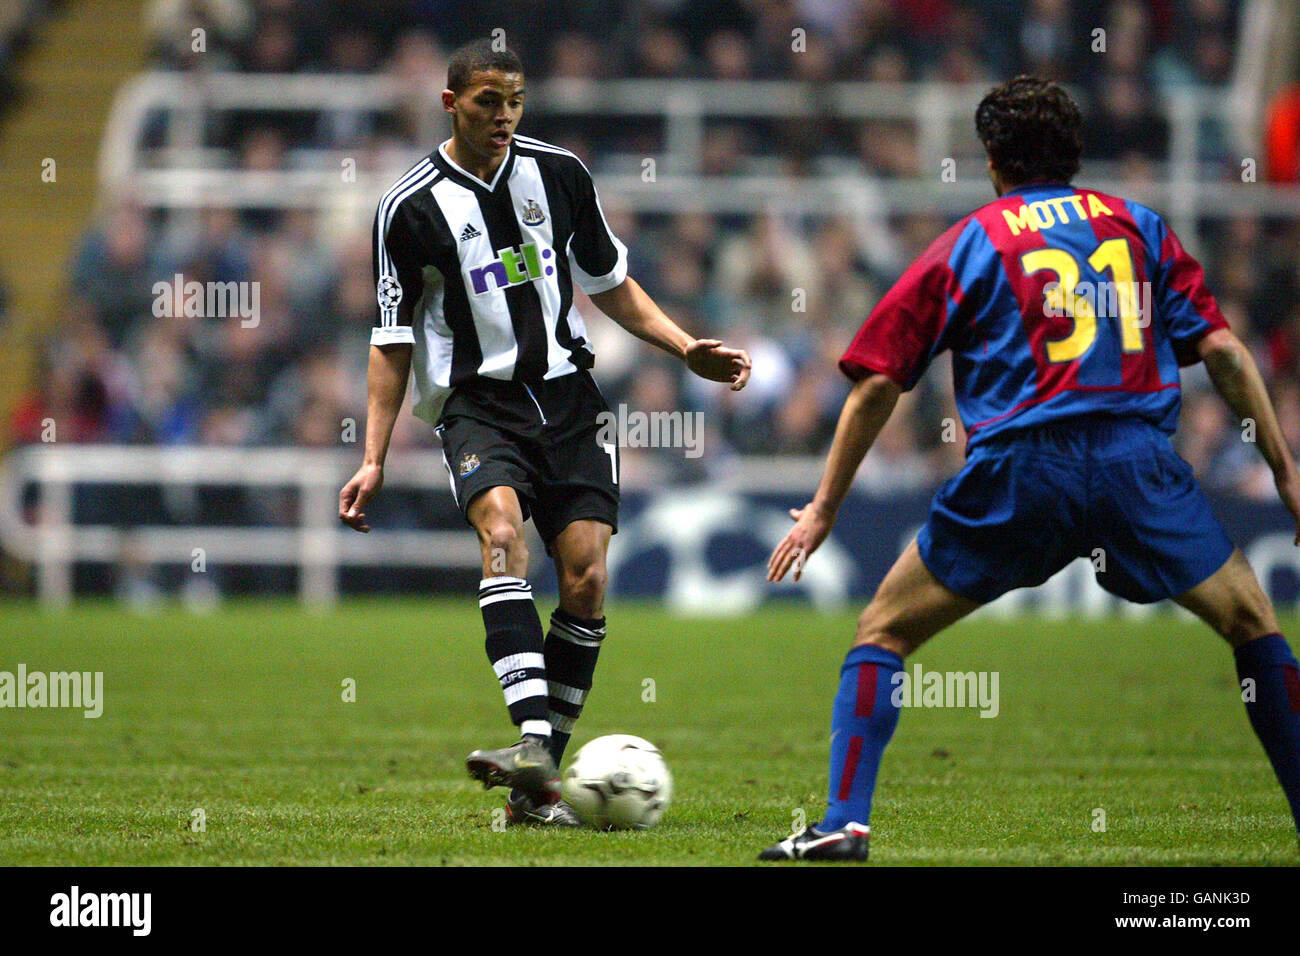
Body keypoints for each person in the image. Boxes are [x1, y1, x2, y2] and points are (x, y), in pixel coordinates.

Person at [759, 76, 1300, 862]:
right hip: (1135, 464)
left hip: (1021, 469)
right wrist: (1283, 467)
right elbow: (1220, 348)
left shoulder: (971, 242)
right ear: (1074, 153)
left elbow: (879, 380)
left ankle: (845, 821)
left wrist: (823, 506)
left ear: (990, 159)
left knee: (882, 631)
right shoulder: (1138, 225)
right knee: (1254, 625)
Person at [339, 39, 750, 826]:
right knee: (500, 532)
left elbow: (611, 284)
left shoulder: (560, 175)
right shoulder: (410, 208)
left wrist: (684, 345)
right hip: (477, 404)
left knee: (587, 577)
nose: (505, 116)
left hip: (570, 400)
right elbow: (391, 340)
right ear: (452, 102)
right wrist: (372, 457)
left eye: (516, 101)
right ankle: (534, 744)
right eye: (489, 101)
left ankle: (536, 789)